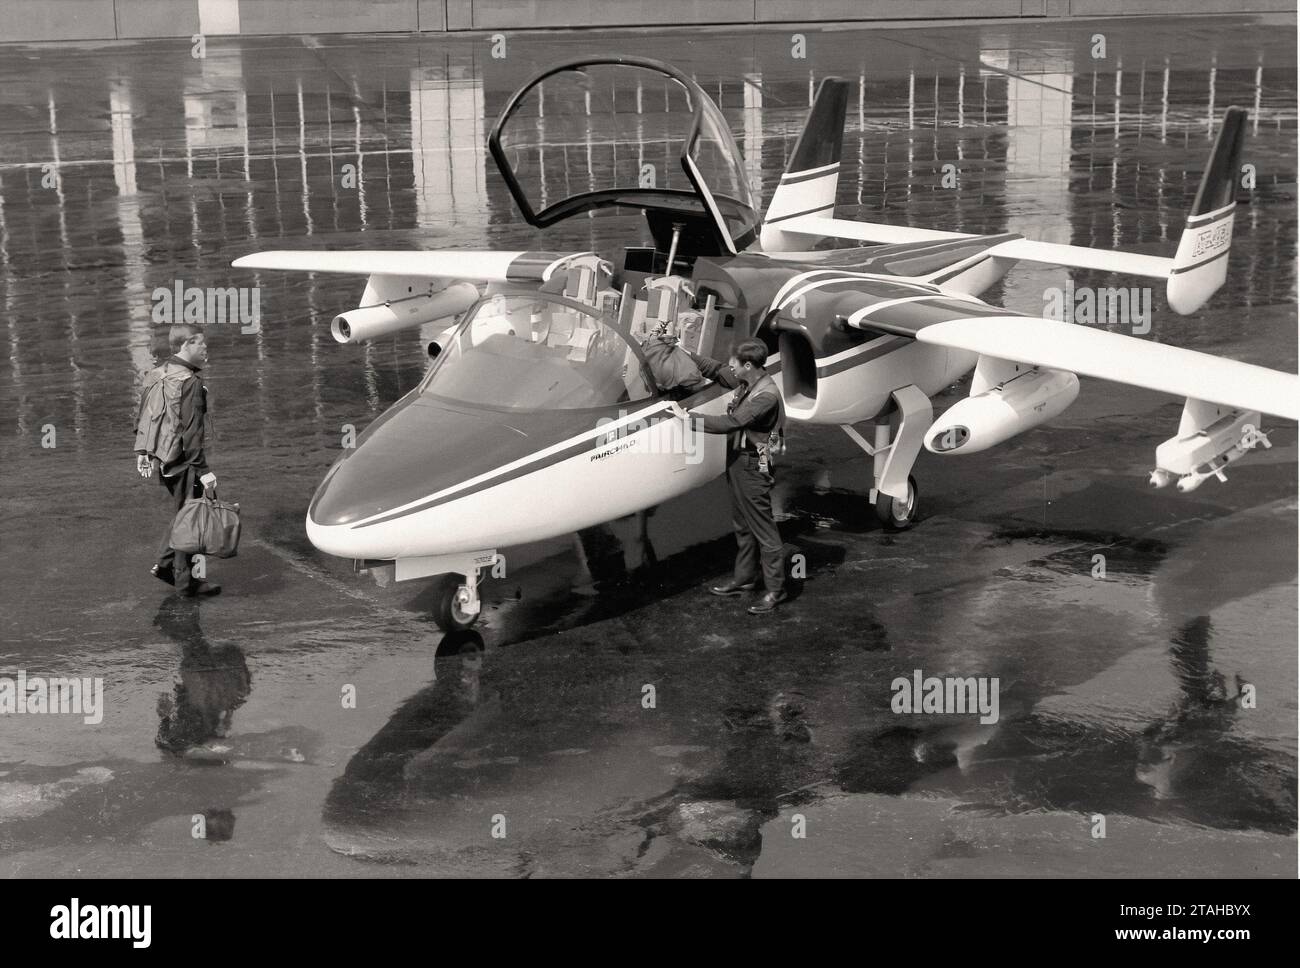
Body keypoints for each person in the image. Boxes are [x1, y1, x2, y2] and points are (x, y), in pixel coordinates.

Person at [687, 338, 787, 614]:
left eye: (735, 363)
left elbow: (733, 422)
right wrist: (686, 353)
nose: (730, 366)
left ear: (747, 365)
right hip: (738, 460)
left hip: (755, 465)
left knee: (765, 532)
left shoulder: (765, 396)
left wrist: (688, 419)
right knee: (742, 525)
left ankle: (775, 591)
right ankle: (744, 579)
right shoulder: (750, 380)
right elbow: (716, 369)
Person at [135, 324, 221, 597]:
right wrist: (203, 470)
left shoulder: (156, 374)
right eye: (201, 344)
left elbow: (144, 416)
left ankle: (185, 580)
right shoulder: (190, 383)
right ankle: (167, 566)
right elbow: (191, 430)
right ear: (187, 345)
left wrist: (143, 453)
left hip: (163, 459)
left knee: (186, 514)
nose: (205, 349)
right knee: (189, 516)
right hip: (184, 461)